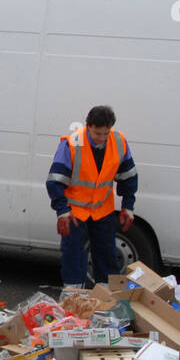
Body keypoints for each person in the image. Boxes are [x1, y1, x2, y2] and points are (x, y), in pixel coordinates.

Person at [45, 105, 139, 288]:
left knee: (106, 253)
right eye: (97, 133)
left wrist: (128, 205)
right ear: (88, 126)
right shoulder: (73, 143)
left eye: (106, 133)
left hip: (101, 208)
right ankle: (73, 294)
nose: (102, 138)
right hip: (75, 210)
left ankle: (105, 295)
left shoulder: (118, 142)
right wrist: (62, 211)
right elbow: (55, 180)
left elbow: (129, 176)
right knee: (73, 253)